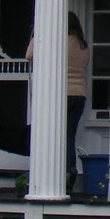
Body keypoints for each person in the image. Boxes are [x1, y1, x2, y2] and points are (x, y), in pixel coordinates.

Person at [26, 12, 91, 191]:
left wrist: (36, 33)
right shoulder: (83, 46)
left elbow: (29, 55)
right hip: (80, 94)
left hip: (60, 94)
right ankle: (71, 171)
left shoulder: (57, 42)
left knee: (51, 135)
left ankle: (50, 175)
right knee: (69, 136)